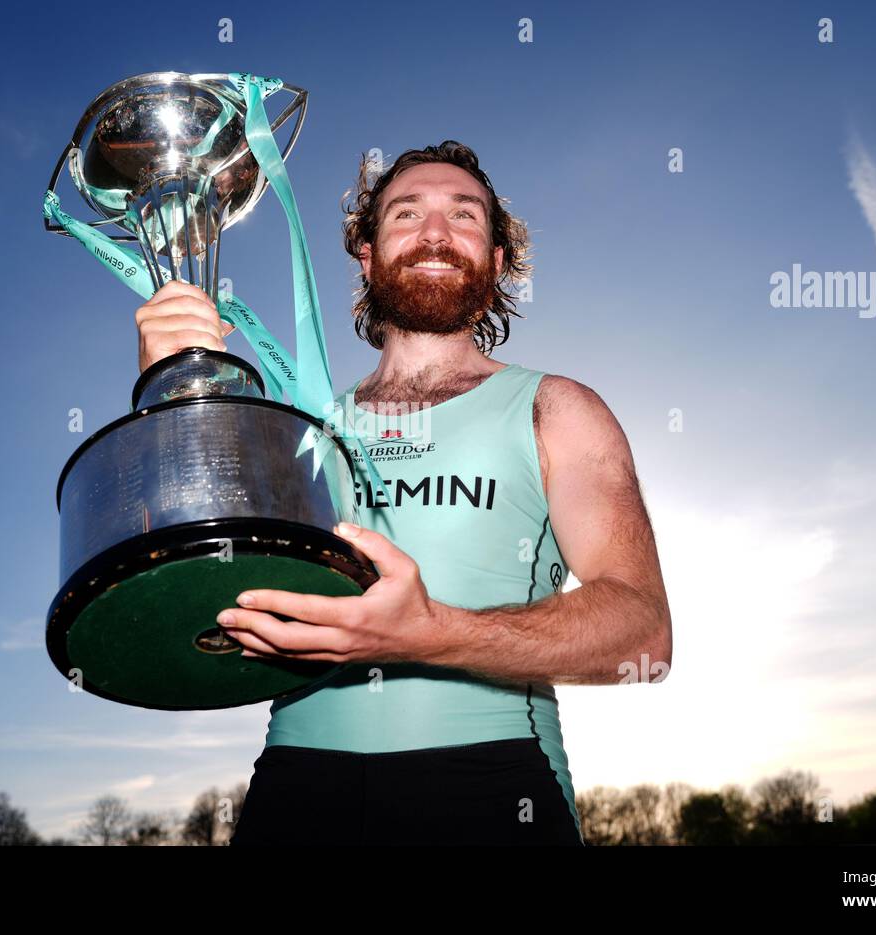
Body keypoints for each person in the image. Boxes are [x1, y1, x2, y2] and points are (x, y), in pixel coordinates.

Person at [134, 141, 672, 845]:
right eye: (407, 213)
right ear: (366, 254)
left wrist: (434, 633)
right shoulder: (298, 427)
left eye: (464, 215)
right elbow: (195, 585)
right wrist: (175, 396)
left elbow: (644, 632)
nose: (436, 232)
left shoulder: (556, 407)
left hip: (493, 783)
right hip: (293, 787)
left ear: (498, 260)